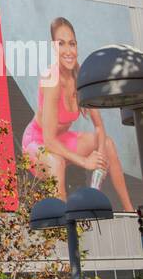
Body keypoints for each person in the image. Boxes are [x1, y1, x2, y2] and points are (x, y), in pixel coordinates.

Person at [23, 17, 134, 210]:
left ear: (77, 46)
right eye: (61, 44)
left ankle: (130, 211)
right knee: (57, 163)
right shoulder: (51, 79)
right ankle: (66, 227)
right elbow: (49, 140)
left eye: (72, 44)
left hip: (63, 140)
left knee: (107, 144)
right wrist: (85, 161)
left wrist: (99, 162)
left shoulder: (81, 76)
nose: (68, 50)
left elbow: (99, 126)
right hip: (38, 143)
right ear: (53, 47)